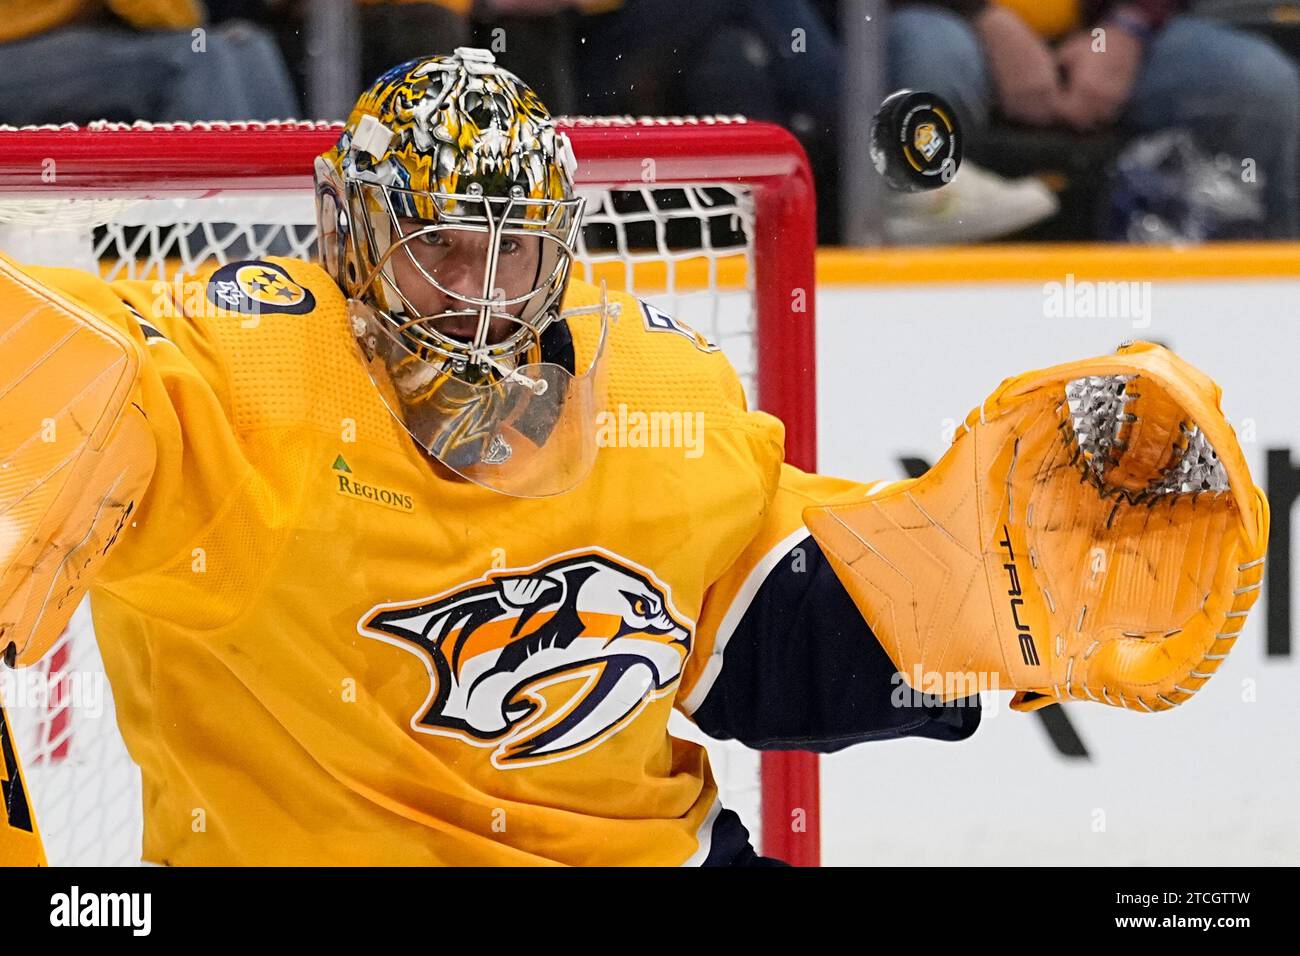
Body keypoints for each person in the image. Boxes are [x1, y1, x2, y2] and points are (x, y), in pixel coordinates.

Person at [0, 48, 1257, 866]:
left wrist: (971, 597)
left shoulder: (649, 389)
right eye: (441, 249)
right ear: (351, 233)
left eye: (512, 253)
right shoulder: (241, 372)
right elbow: (82, 370)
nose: (482, 300)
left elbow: (767, 628)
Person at [888, 0, 1300, 238]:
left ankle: (1258, 297)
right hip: (942, 20)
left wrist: (1127, 26)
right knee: (929, 59)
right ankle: (912, 285)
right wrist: (985, 18)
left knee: (1257, 83)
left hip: (1105, 31)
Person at [0, 0, 299, 123]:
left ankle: (298, 249)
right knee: (194, 57)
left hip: (61, 38)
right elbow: (166, 14)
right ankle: (236, 253)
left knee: (246, 46)